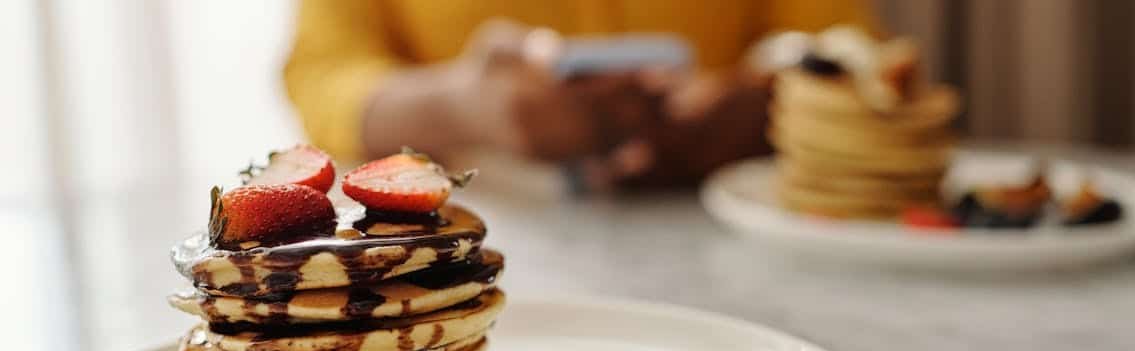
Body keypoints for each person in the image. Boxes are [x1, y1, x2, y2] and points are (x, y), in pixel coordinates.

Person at [284, 1, 877, 188]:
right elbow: (322, 73)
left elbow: (853, 49)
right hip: (463, 234)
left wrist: (762, 103)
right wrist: (460, 103)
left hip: (733, 226)